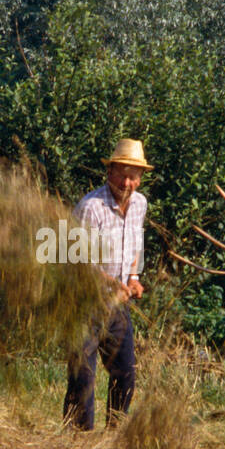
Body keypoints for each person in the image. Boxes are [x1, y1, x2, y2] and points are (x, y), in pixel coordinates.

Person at [62, 139, 152, 431]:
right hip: (84, 302)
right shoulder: (91, 208)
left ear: (140, 178)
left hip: (116, 307)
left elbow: (135, 241)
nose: (127, 182)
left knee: (125, 372)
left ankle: (115, 431)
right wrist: (112, 283)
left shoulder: (139, 204)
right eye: (122, 174)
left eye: (133, 176)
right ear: (109, 171)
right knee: (83, 375)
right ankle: (79, 441)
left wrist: (133, 278)